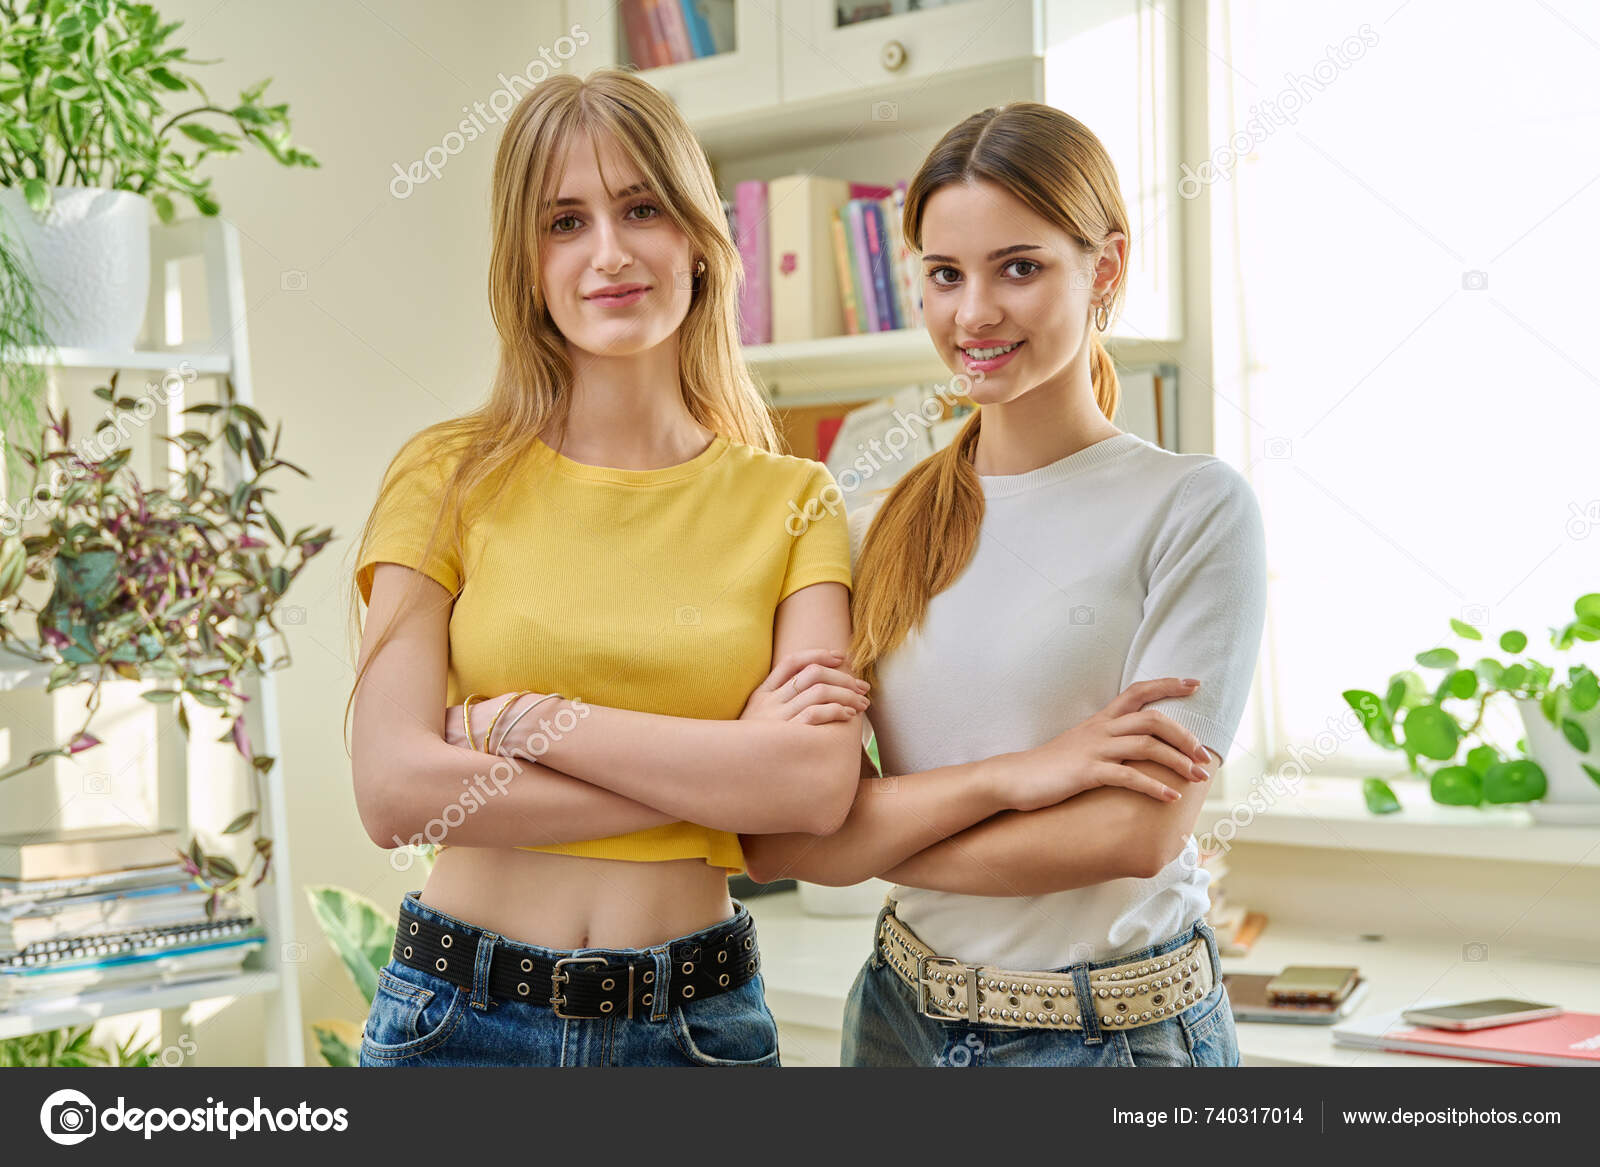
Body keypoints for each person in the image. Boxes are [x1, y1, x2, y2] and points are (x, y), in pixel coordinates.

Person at [345, 68, 869, 1067]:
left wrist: (534, 725)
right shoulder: (446, 474)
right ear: (525, 262)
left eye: (640, 209)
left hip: (696, 1025)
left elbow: (810, 788)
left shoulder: (794, 499)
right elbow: (396, 790)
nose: (610, 253)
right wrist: (720, 779)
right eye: (565, 222)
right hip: (459, 1018)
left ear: (698, 242)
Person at [740, 102, 1268, 1067]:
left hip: (1107, 1034)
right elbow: (778, 836)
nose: (973, 313)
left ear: (1103, 269)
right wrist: (1020, 776)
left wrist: (863, 842)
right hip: (898, 1013)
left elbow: (1136, 831)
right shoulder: (868, 524)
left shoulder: (1193, 509)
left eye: (1018, 267)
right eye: (945, 274)